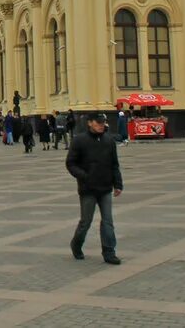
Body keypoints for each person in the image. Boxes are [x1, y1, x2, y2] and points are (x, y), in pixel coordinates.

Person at [66, 112, 123, 265]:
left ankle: (109, 251)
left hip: (105, 188)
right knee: (86, 221)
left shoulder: (108, 140)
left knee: (108, 221)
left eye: (103, 122)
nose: (101, 125)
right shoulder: (79, 140)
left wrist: (118, 184)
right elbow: (70, 163)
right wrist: (84, 176)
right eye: (98, 122)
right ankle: (76, 244)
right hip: (88, 189)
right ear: (89, 123)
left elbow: (114, 164)